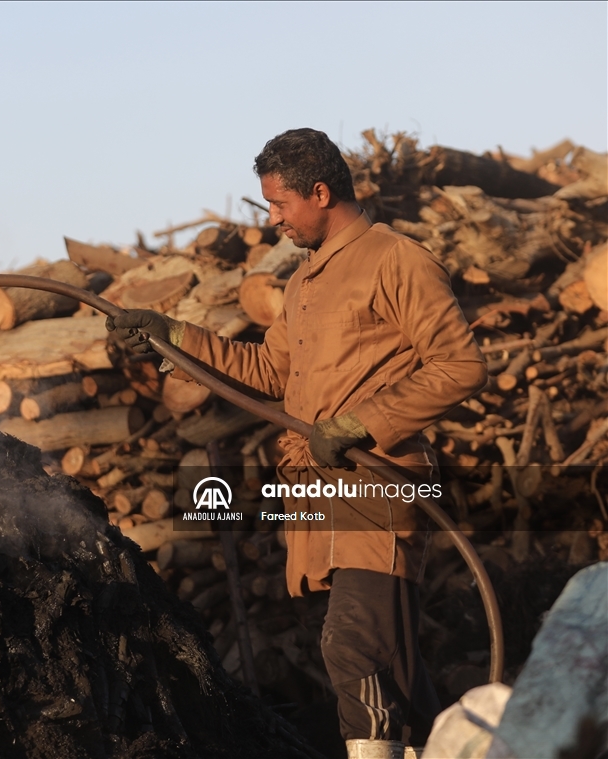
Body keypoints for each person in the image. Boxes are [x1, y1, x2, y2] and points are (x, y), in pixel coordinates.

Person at [106, 128, 488, 759]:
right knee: (390, 668)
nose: (273, 220)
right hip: (317, 495)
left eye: (280, 205)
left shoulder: (398, 260)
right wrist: (172, 336)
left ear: (320, 192)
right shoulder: (303, 281)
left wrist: (363, 424)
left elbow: (461, 366)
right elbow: (267, 374)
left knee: (354, 644)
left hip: (381, 479)